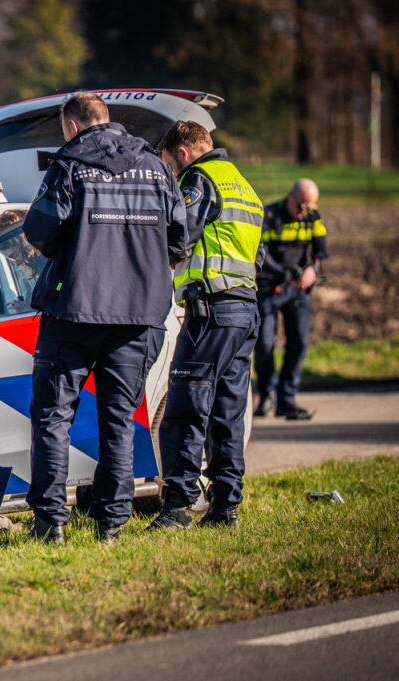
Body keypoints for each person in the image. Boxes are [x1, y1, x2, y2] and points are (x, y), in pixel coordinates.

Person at [22, 93, 188, 544]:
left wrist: (73, 250)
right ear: (106, 120)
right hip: (139, 316)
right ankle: (111, 527)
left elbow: (39, 231)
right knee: (119, 420)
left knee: (54, 418)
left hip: (75, 311)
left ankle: (51, 523)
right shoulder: (155, 167)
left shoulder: (70, 164)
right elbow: (180, 239)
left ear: (72, 126)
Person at [149, 121, 264, 531]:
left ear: (181, 153)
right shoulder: (242, 185)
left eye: (168, 164)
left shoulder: (199, 178)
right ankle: (225, 508)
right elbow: (259, 256)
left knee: (185, 408)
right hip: (244, 309)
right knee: (227, 413)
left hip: (210, 311)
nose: (171, 175)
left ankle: (177, 507)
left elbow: (178, 237)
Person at [253, 179, 327, 420]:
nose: (304, 211)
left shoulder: (313, 217)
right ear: (290, 196)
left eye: (309, 206)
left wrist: (312, 270)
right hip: (269, 286)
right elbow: (258, 253)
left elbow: (320, 252)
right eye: (301, 205)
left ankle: (287, 399)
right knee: (264, 344)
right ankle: (267, 394)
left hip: (298, 290)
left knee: (300, 341)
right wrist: (283, 274)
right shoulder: (270, 215)